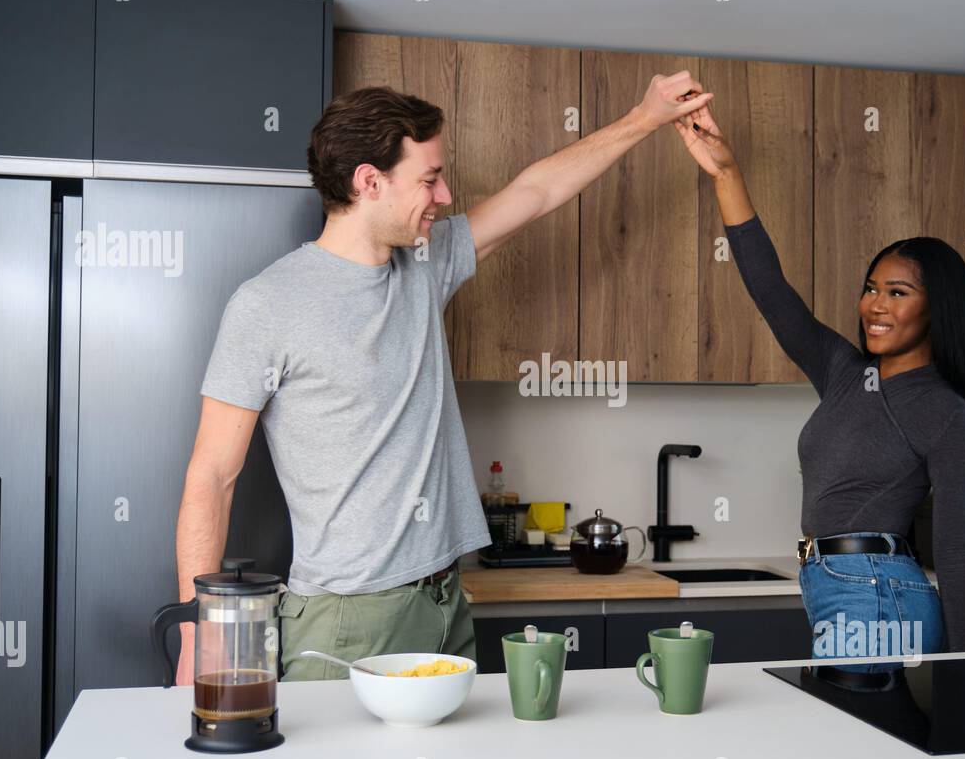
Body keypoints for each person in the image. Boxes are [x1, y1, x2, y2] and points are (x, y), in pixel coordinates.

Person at [174, 74, 715, 684]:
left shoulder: (424, 264)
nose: (445, 194)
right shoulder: (268, 304)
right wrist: (200, 634)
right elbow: (212, 475)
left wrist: (644, 116)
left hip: (445, 598)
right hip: (348, 616)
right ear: (369, 181)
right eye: (429, 178)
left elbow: (535, 192)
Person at [672, 100, 965, 675]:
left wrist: (963, 681)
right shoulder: (845, 372)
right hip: (834, 585)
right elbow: (770, 289)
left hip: (877, 595)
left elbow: (956, 553)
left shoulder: (948, 415)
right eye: (872, 288)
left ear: (936, 308)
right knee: (862, 741)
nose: (875, 304)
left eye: (898, 293)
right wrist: (727, 174)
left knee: (863, 741)